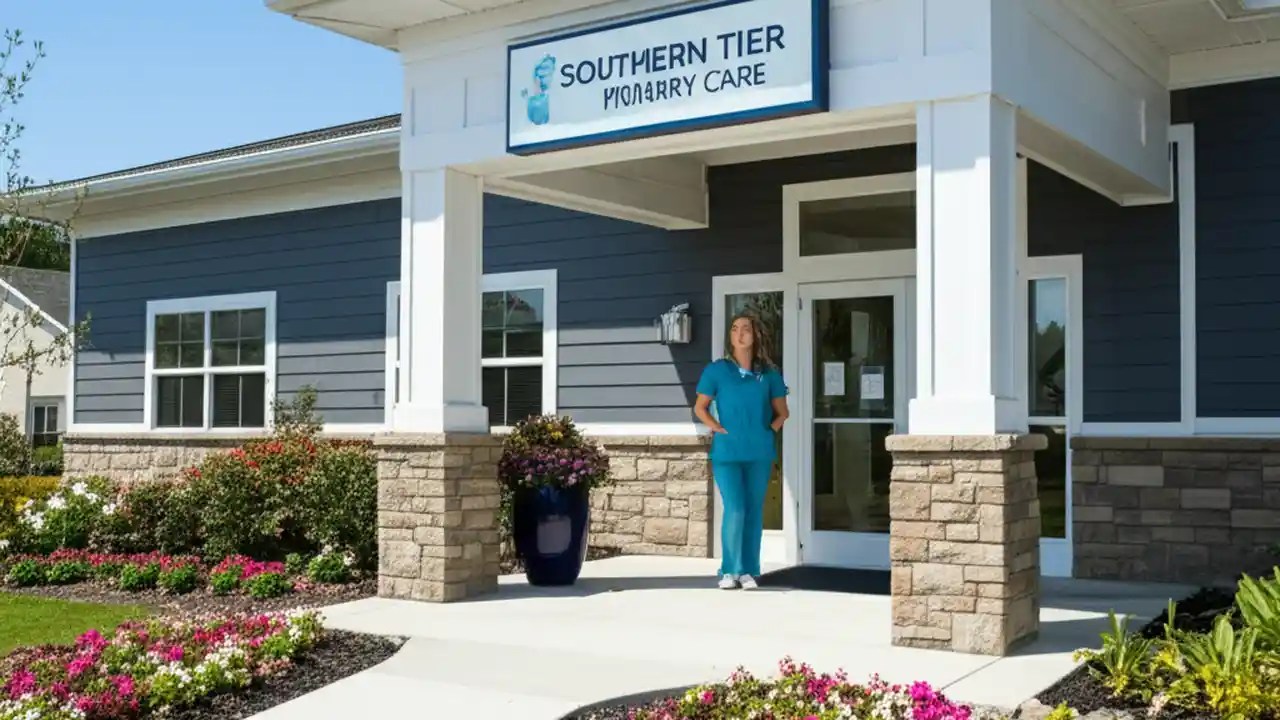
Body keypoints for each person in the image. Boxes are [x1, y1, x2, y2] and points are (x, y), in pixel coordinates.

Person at [693, 312, 789, 590]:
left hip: (759, 453)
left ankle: (748, 571)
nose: (740, 333)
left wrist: (768, 431)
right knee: (735, 508)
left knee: (753, 511)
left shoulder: (769, 375)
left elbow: (783, 412)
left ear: (756, 335)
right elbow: (700, 407)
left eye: (746, 328)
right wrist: (717, 427)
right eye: (735, 329)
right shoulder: (716, 370)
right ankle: (729, 570)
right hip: (727, 454)